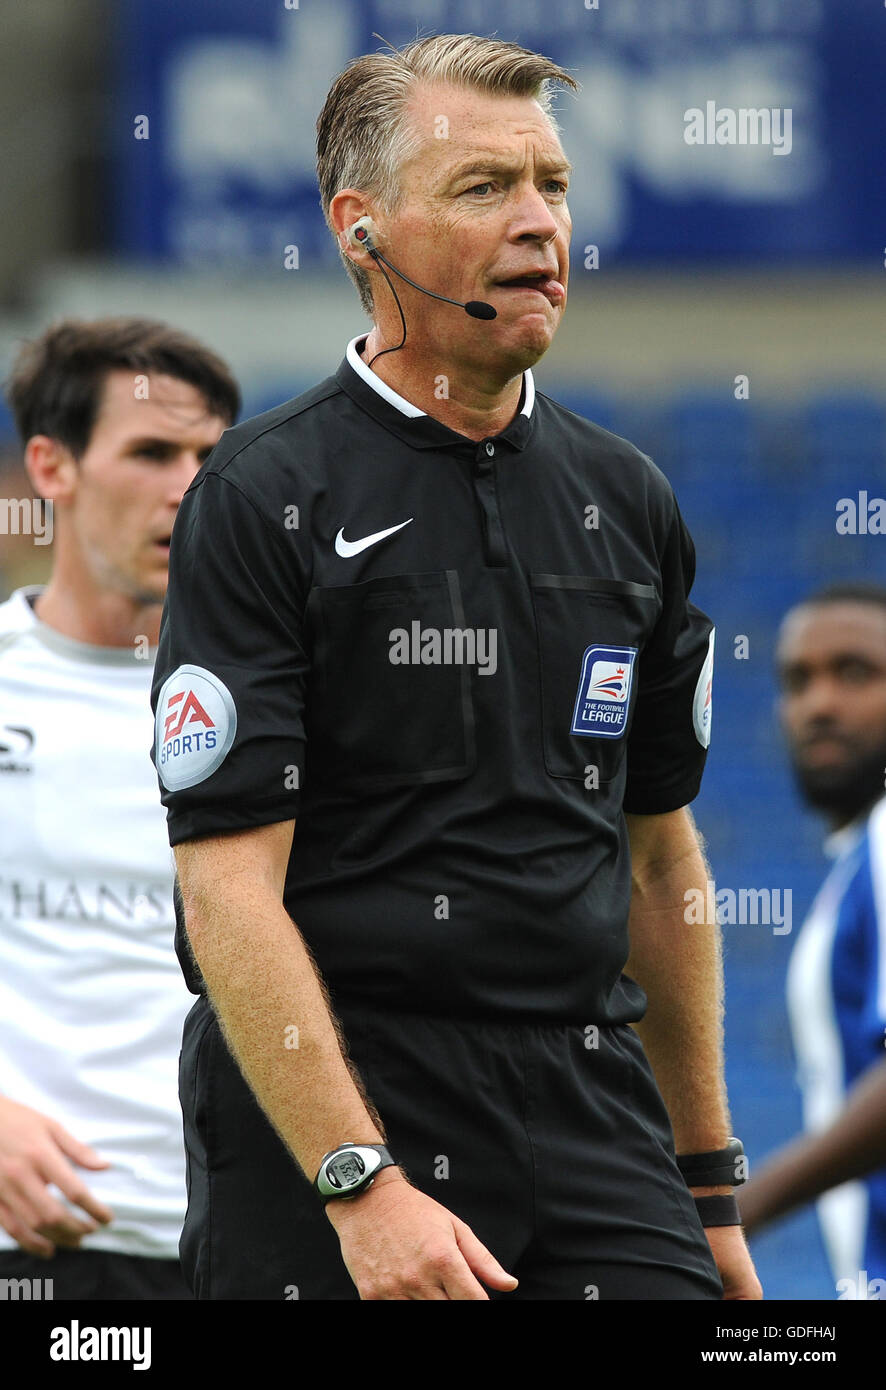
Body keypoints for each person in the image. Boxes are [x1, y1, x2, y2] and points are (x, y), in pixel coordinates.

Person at [151, 33, 761, 1301]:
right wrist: (357, 1183)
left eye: (551, 184)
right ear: (360, 231)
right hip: (340, 1094)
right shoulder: (263, 496)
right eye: (484, 188)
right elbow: (226, 895)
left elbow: (659, 857)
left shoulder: (627, 497)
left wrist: (707, 1192)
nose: (541, 224)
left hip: (592, 1101)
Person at [0, 317, 238, 1299]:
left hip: (238, 1245)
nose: (187, 485)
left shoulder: (278, 710)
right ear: (51, 467)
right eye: (150, 452)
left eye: (208, 457)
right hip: (34, 1249)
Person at [738, 584, 886, 1294]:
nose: (820, 704)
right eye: (798, 680)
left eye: (856, 671)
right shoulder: (858, 861)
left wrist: (742, 1209)